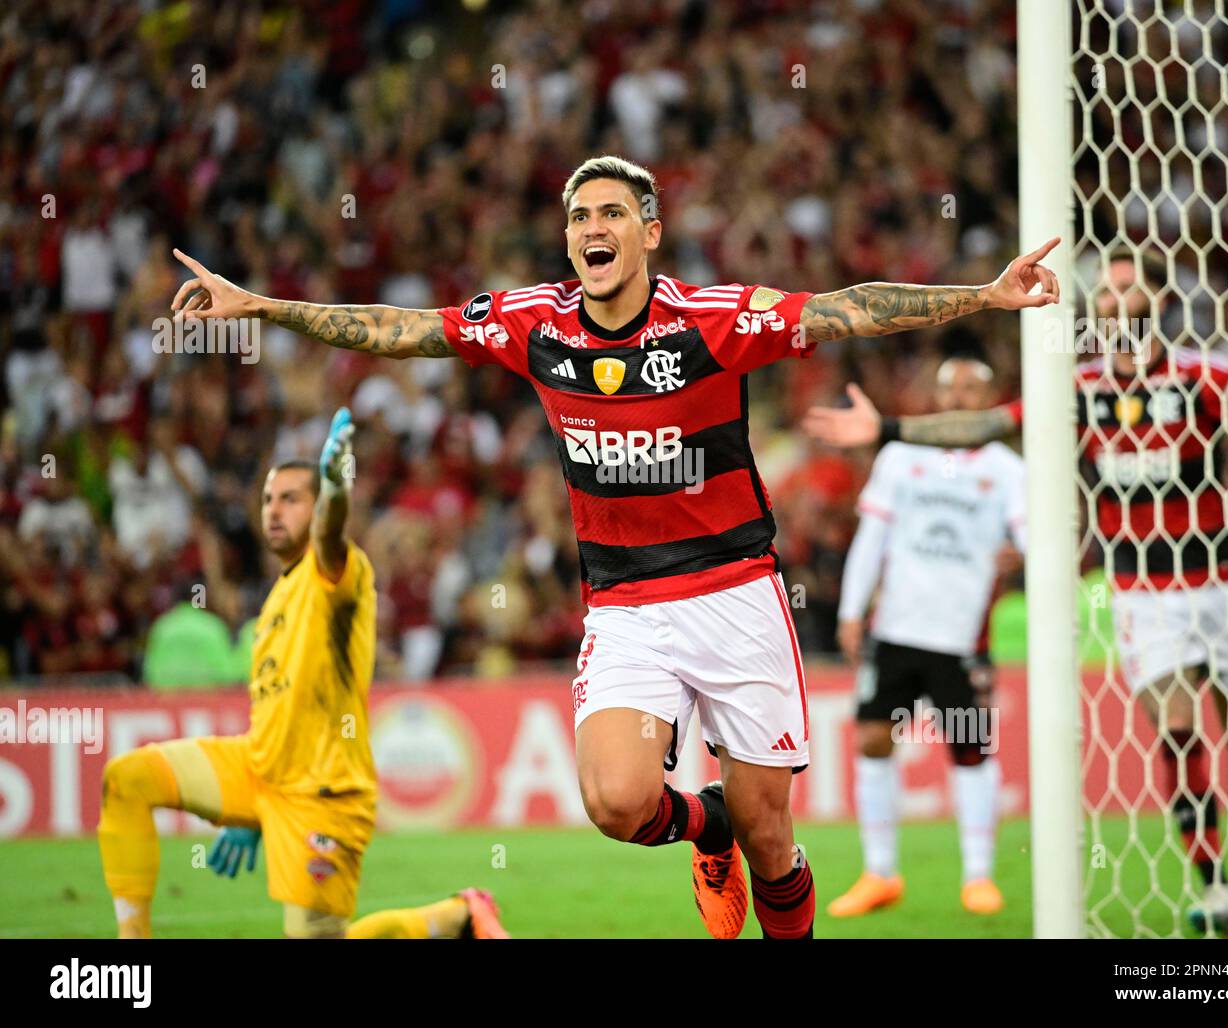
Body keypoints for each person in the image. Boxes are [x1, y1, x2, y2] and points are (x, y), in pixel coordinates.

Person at [169, 154, 1060, 939]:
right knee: (617, 803)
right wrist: (259, 305)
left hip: (735, 589)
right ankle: (701, 829)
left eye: (611, 215)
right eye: (579, 217)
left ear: (650, 234)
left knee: (773, 839)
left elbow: (845, 312)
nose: (592, 229)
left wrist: (984, 295)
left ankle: (738, 841)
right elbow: (408, 331)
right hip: (627, 604)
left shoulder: (711, 320)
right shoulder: (535, 325)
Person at [804, 249, 1228, 936]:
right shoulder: (1078, 387)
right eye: (1108, 292)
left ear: (1158, 299)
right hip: (1139, 591)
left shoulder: (1200, 377)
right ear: (1093, 308)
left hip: (1219, 584)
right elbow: (985, 426)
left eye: (1132, 289)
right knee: (1181, 736)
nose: (1118, 302)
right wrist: (888, 430)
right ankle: (1216, 890)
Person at [97, 409, 508, 939]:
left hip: (323, 793)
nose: (273, 510)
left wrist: (337, 490)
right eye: (268, 499)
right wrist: (250, 815)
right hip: (259, 767)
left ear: (317, 510)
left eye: (291, 498)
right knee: (127, 780)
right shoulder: (275, 600)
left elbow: (332, 535)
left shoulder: (336, 570)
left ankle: (459, 913)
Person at [825, 355, 1025, 920]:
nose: (958, 396)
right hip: (896, 631)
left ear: (991, 399)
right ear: (935, 398)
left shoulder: (1007, 468)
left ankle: (979, 876)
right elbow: (871, 538)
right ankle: (880, 872)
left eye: (971, 388)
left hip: (961, 638)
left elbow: (1036, 538)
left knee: (968, 749)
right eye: (950, 388)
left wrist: (1020, 559)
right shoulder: (901, 455)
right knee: (871, 739)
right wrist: (849, 611)